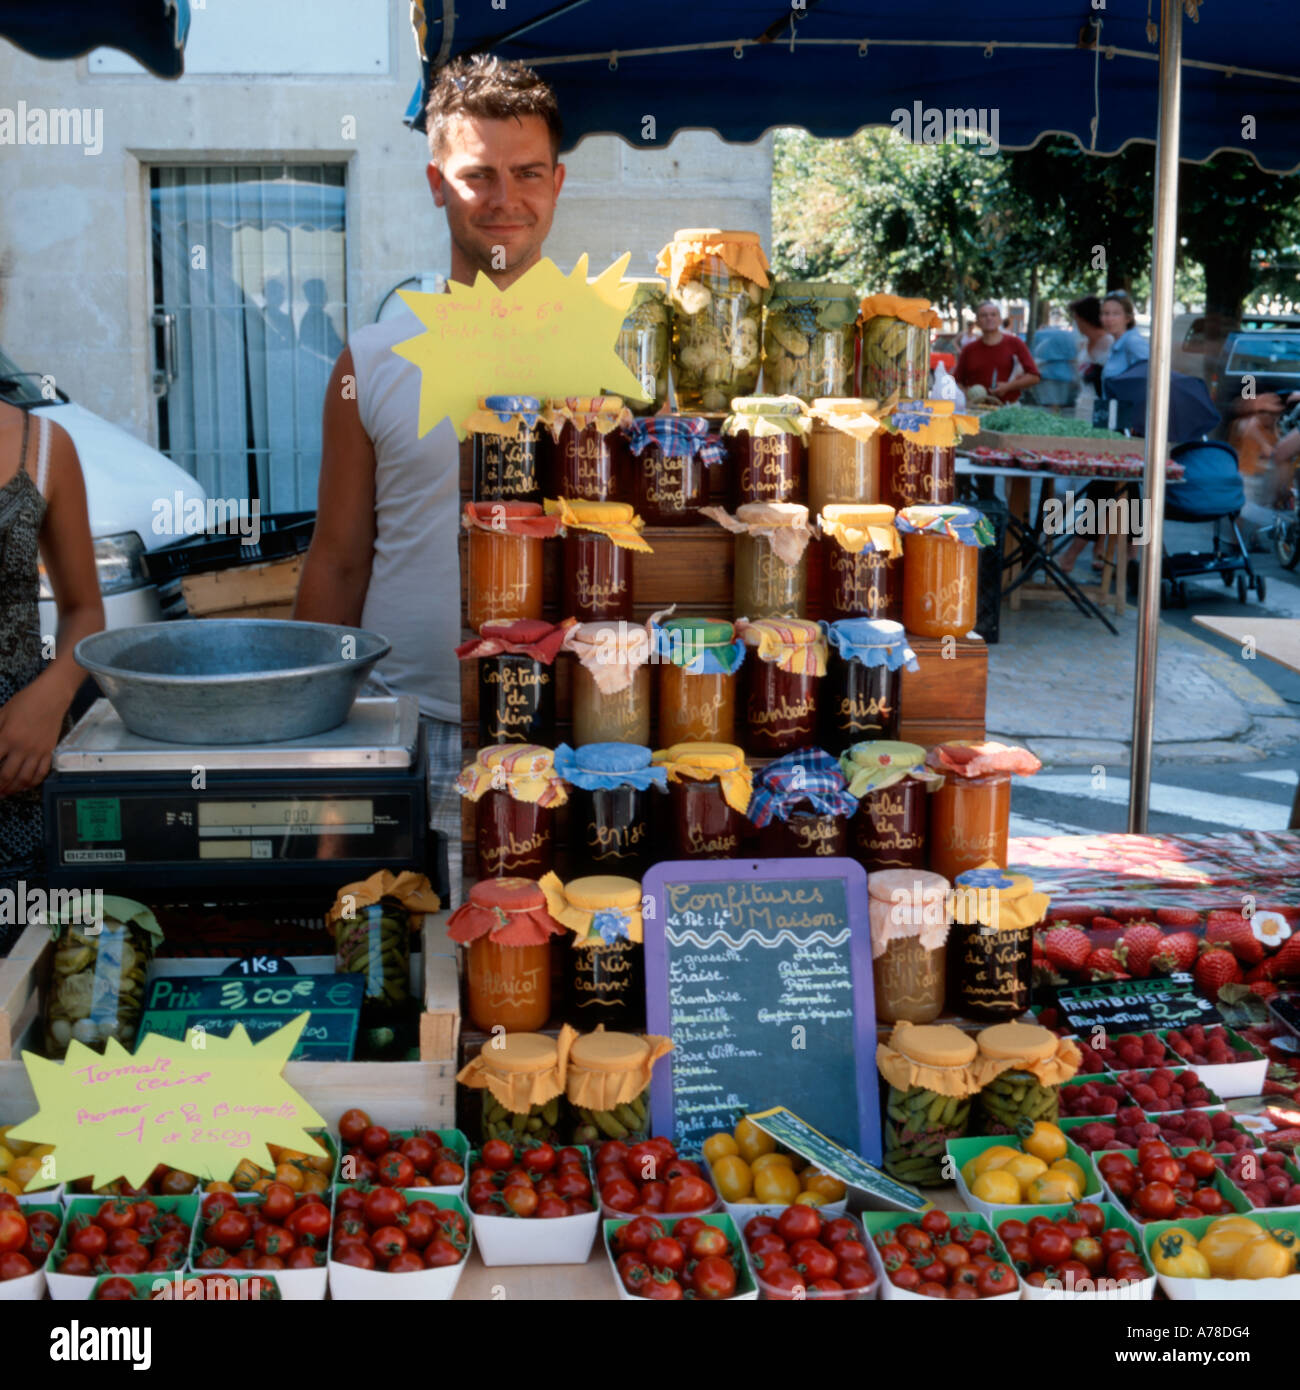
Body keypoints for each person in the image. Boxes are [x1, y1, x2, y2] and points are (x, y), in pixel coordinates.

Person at [293, 56, 567, 907]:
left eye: (526, 174)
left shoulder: (615, 366)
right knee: (413, 980)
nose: (505, 199)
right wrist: (309, 746)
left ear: (557, 182)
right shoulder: (369, 361)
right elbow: (338, 559)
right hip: (408, 723)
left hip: (577, 733)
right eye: (476, 175)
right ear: (435, 184)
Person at [0, 394, 104, 944]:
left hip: (19, 762)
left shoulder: (40, 445)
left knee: (27, 984)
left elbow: (85, 610)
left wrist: (52, 695)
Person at [954, 300, 1041, 404]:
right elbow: (957, 381)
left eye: (993, 314)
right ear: (977, 322)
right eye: (984, 315)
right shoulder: (969, 349)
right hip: (976, 410)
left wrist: (1008, 386)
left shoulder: (1015, 343)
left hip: (1008, 408)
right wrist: (965, 395)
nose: (989, 318)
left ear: (1000, 320)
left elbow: (1034, 377)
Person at [1099, 290, 1149, 382]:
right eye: (1106, 313)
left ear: (1127, 318)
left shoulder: (1133, 342)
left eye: (1116, 314)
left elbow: (1151, 373)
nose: (1109, 319)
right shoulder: (1117, 343)